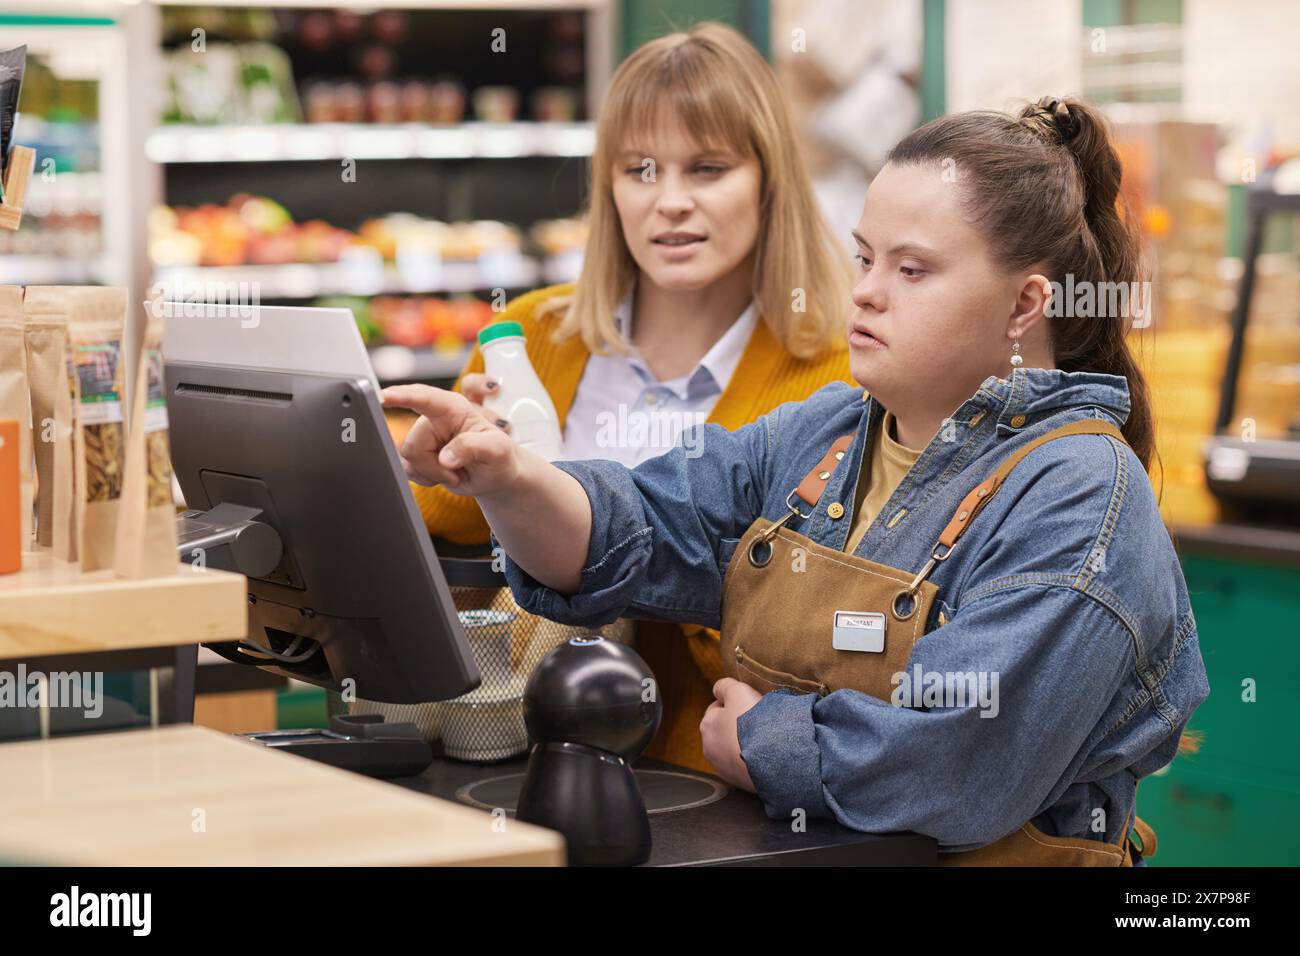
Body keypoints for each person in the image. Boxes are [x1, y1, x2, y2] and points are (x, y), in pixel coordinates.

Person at [383, 96, 1210, 864]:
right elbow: (636, 526)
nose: (867, 294)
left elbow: (958, 762)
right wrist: (506, 477)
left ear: (1025, 304)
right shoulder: (825, 435)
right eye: (864, 258)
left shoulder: (1077, 495)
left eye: (912, 271)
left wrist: (765, 742)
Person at [403, 22, 851, 770]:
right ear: (607, 187)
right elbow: (448, 526)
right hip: (514, 762)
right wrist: (437, 466)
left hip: (709, 785)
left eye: (707, 168)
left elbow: (804, 623)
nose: (669, 201)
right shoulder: (530, 333)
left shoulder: (833, 374)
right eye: (640, 169)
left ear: (769, 180)